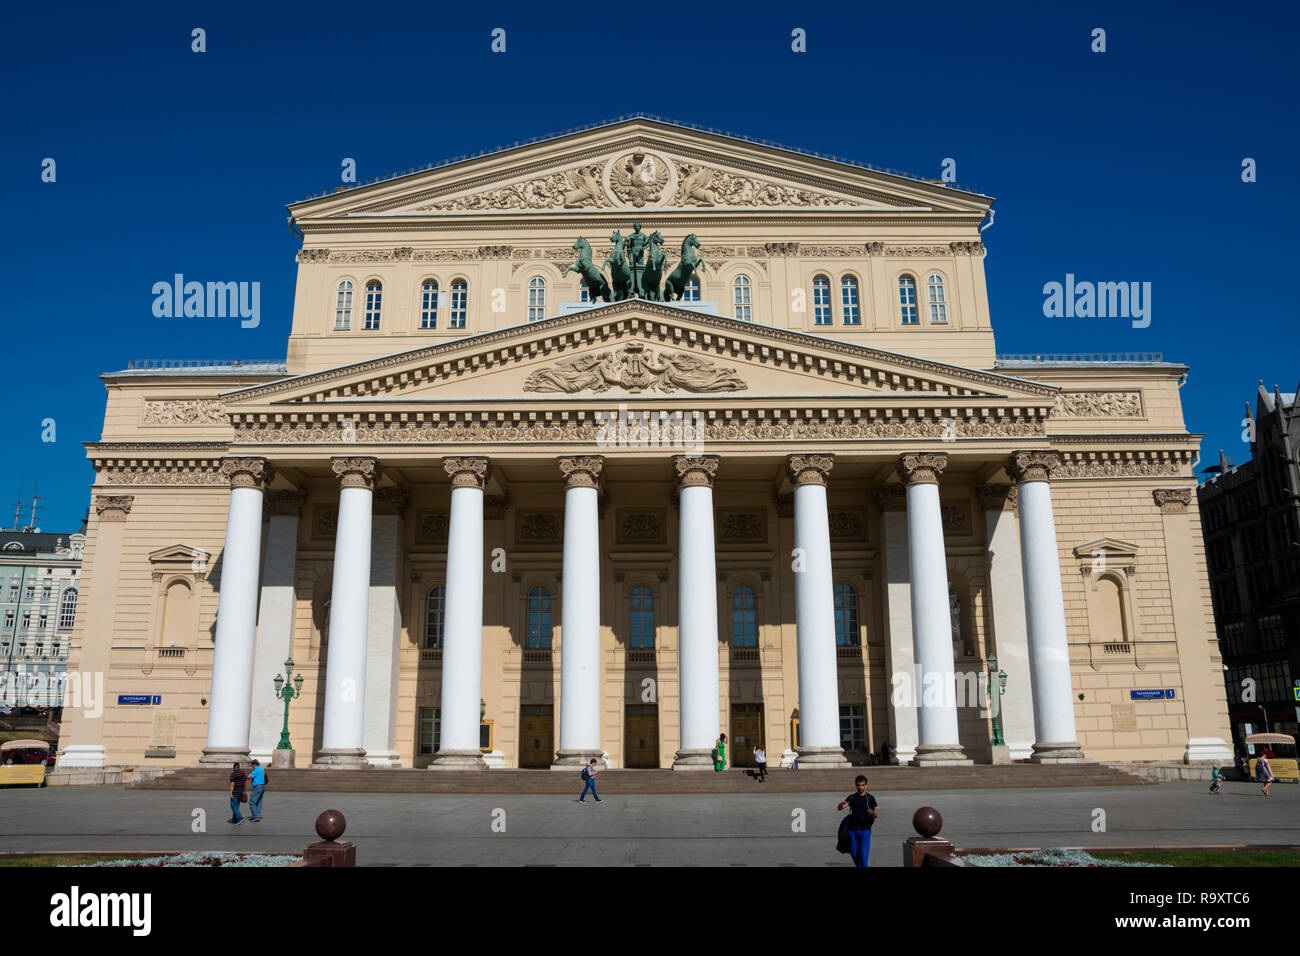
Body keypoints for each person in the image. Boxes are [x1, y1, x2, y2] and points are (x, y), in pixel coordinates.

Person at [837, 775, 879, 867]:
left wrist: (872, 812)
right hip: (852, 830)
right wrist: (841, 805)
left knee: (864, 856)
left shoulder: (870, 798)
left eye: (863, 785)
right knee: (855, 854)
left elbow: (876, 815)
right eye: (859, 785)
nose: (861, 787)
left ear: (866, 785)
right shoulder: (852, 797)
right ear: (856, 786)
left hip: (865, 831)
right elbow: (840, 808)